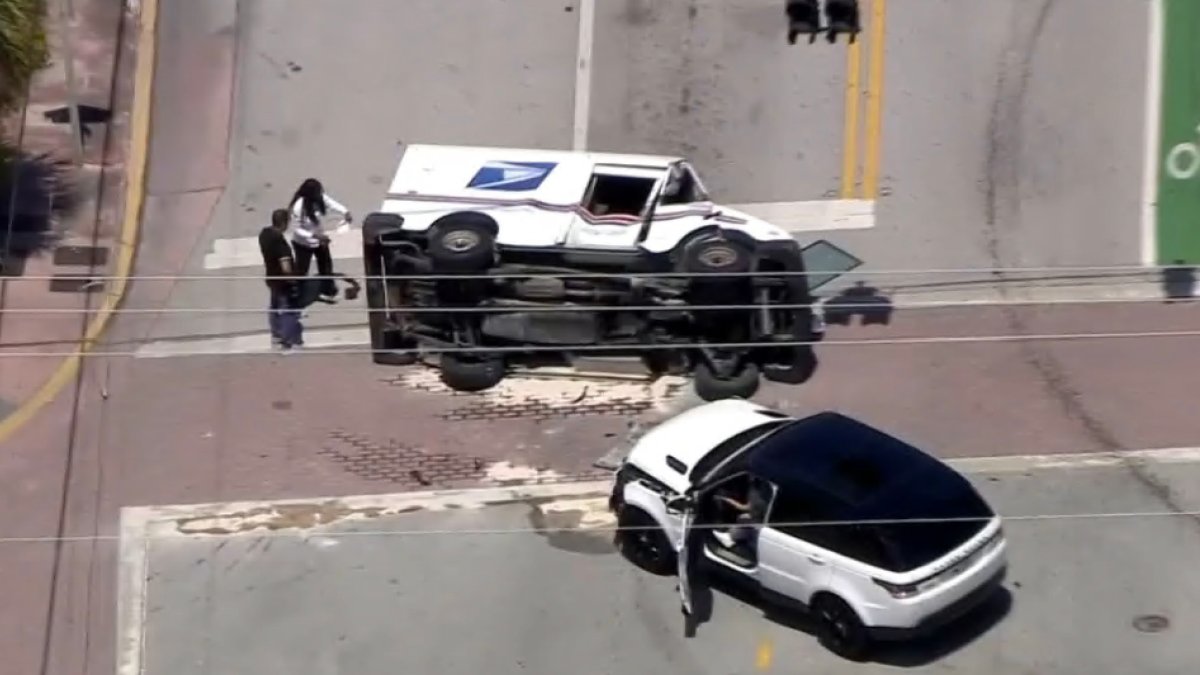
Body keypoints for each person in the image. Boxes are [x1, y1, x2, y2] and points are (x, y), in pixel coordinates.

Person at [288, 178, 352, 302]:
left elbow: (331, 203)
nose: (320, 194)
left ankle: (328, 290)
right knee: (302, 269)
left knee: (326, 265)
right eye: (317, 192)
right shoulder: (298, 207)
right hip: (303, 244)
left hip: (320, 240)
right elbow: (296, 229)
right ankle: (296, 294)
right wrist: (314, 236)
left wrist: (345, 211)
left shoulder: (319, 198)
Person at [259, 208, 304, 350]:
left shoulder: (264, 235)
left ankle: (276, 335)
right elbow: (285, 266)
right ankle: (288, 340)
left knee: (274, 307)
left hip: (271, 277)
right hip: (282, 281)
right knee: (287, 310)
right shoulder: (280, 243)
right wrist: (293, 281)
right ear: (284, 223)